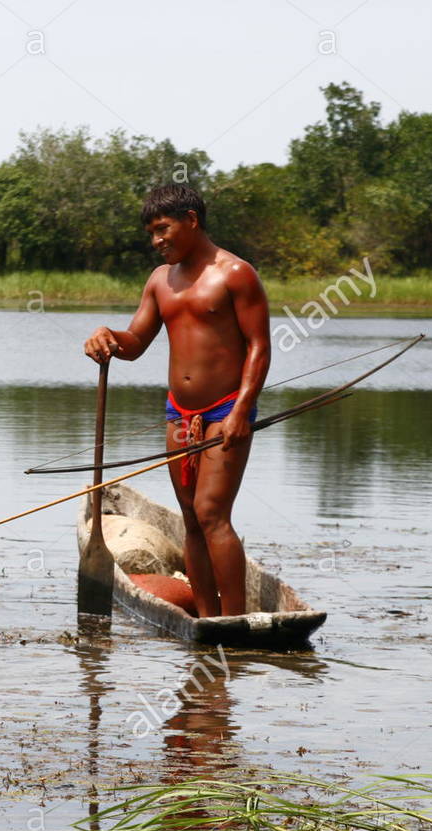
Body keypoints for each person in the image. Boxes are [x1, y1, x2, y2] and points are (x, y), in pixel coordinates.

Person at [83, 185, 270, 617]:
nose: (156, 240)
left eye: (163, 229)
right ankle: (205, 621)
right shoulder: (158, 280)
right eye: (151, 233)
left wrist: (243, 409)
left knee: (212, 514)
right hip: (179, 414)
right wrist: (108, 337)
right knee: (189, 517)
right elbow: (135, 343)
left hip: (226, 409)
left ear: (192, 219)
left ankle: (235, 621)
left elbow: (259, 346)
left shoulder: (235, 273)